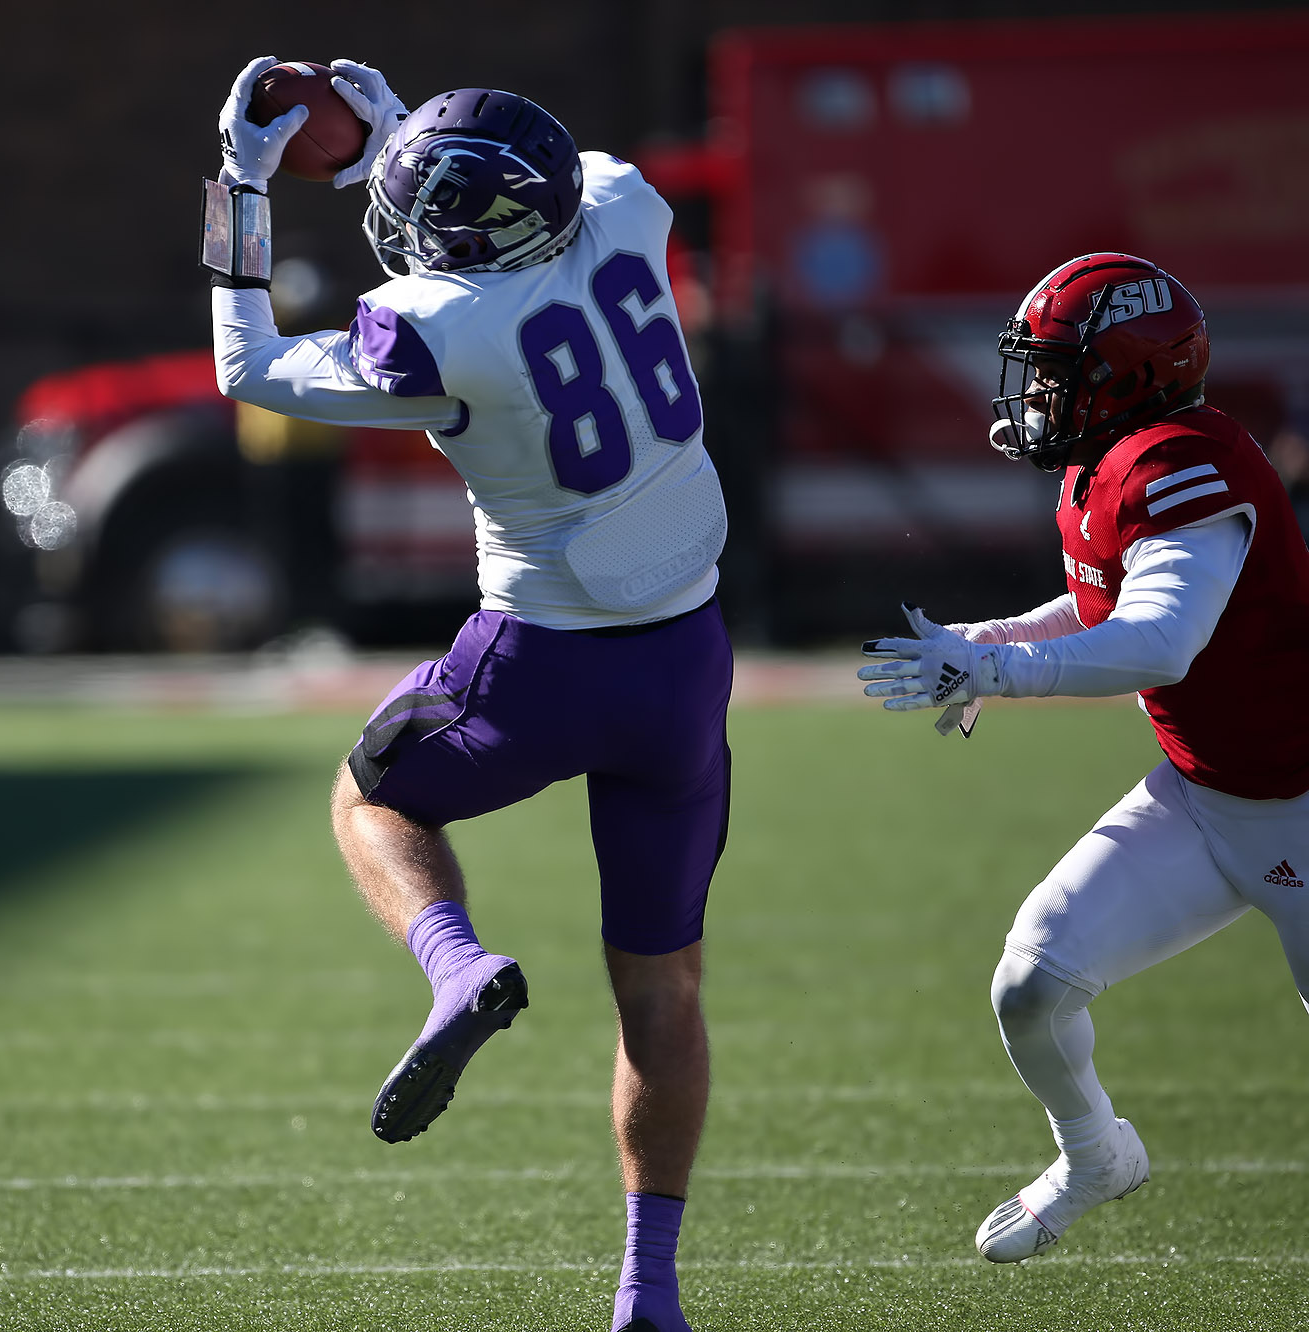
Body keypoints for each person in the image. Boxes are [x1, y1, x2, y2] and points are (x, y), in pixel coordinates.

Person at [206, 57, 732, 1332]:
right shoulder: (625, 204)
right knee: (660, 992)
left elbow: (248, 364)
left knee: (369, 802)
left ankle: (452, 968)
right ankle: (645, 1296)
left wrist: (240, 186)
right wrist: (396, 129)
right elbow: (526, 184)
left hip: (541, 659)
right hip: (684, 662)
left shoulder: (433, 328)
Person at [857, 253, 1309, 1263]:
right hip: (1206, 796)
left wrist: (992, 677)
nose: (1035, 392)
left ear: (1126, 375)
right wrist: (992, 642)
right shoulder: (1106, 464)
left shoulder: (1184, 465)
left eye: (1057, 370)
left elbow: (1156, 640)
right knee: (1031, 981)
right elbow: (1103, 602)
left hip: (1299, 798)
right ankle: (1093, 1154)